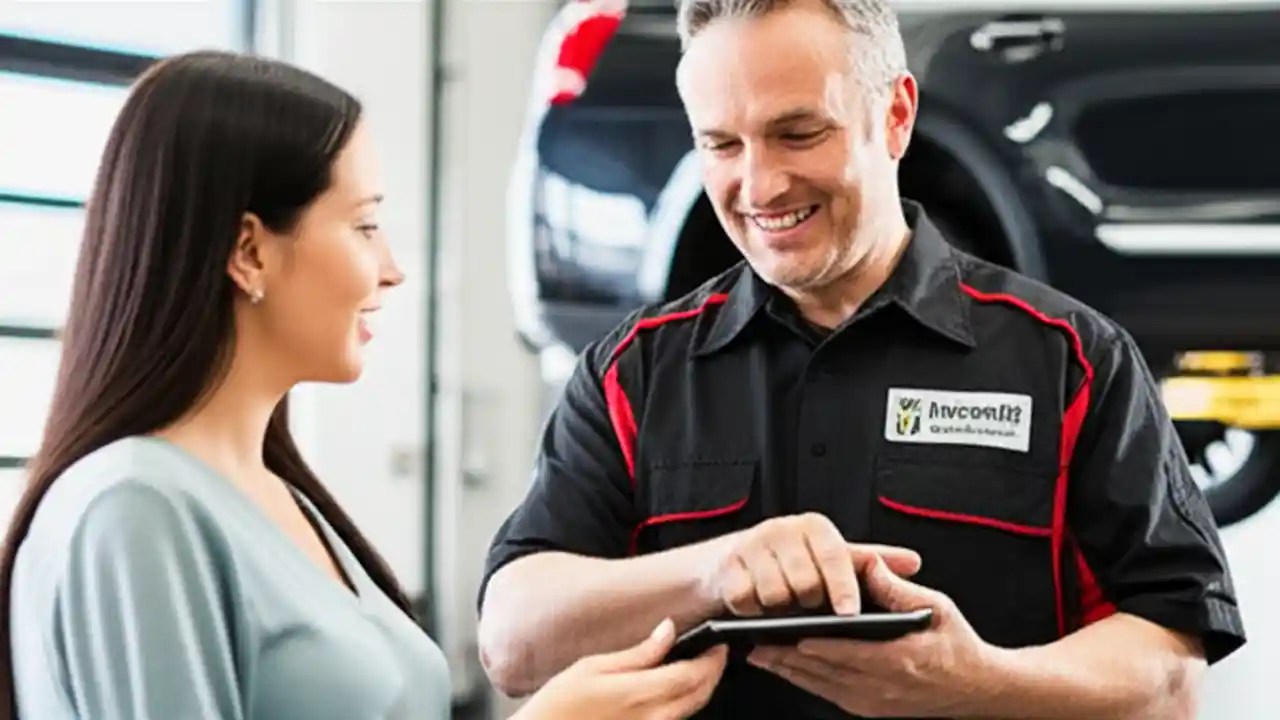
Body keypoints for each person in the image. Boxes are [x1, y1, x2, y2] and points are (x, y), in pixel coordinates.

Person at [476, 0, 1247, 717]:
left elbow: (1172, 676)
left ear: (896, 115)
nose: (760, 184)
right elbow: (513, 643)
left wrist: (976, 684)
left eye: (798, 133)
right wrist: (712, 575)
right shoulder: (634, 376)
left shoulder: (1072, 362)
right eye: (721, 144)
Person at [0, 51, 726, 720]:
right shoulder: (133, 508)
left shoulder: (274, 497)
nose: (390, 268)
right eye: (364, 225)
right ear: (249, 251)